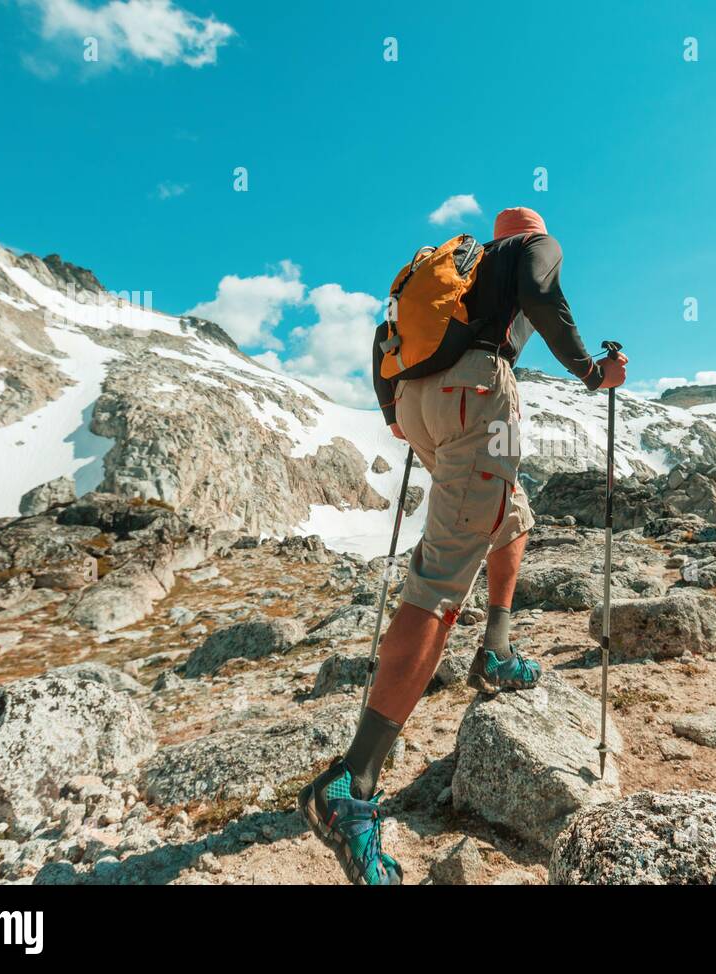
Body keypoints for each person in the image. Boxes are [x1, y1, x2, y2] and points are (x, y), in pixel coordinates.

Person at [298, 206, 628, 885]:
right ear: (528, 229)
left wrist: (395, 409)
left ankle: (498, 649)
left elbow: (382, 334)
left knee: (512, 514)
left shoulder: (450, 272)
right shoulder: (530, 248)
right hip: (478, 393)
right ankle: (350, 786)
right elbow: (544, 293)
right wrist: (594, 374)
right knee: (442, 582)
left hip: (423, 399)